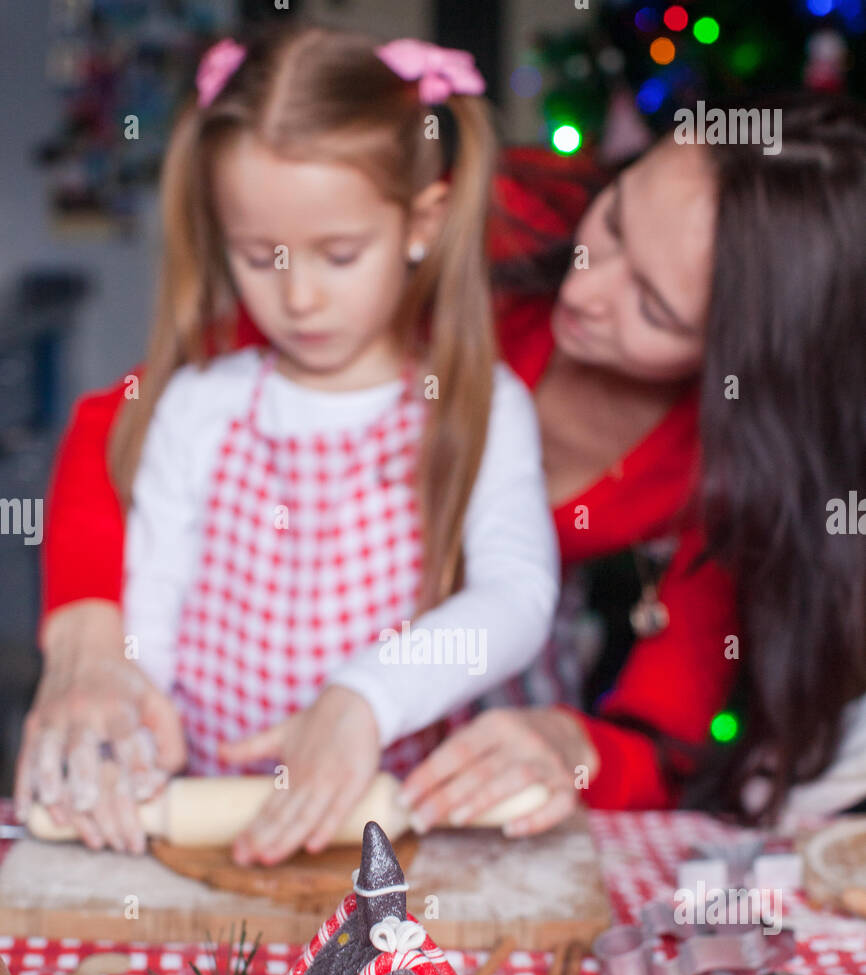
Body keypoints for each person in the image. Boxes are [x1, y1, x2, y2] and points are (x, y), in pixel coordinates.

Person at [21, 84, 866, 849]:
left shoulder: (724, 473)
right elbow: (135, 417)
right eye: (611, 221)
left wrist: (567, 747)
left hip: (451, 723)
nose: (582, 287)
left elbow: (665, 740)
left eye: (651, 306)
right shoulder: (478, 221)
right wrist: (95, 646)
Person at [16, 26, 560, 863]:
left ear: (423, 222)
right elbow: (152, 600)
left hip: (397, 825)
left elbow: (517, 598)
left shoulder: (481, 405)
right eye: (258, 257)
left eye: (340, 254)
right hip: (210, 811)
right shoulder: (198, 407)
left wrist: (363, 698)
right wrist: (132, 713)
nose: (299, 296)